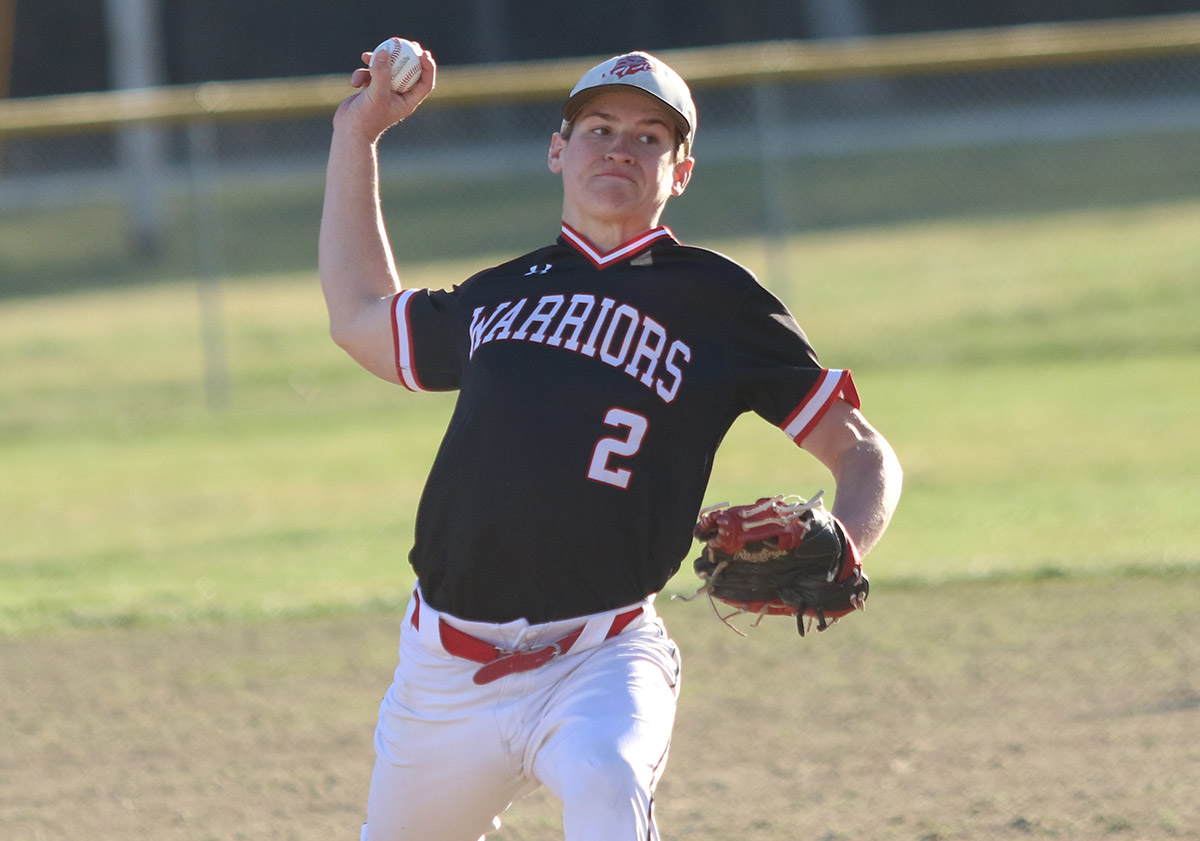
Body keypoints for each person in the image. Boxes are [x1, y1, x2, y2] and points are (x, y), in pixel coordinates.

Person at [319, 41, 902, 841]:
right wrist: (357, 133)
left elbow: (862, 448)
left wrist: (848, 539)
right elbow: (359, 316)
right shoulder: (497, 295)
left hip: (601, 659)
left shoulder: (719, 301)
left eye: (648, 136)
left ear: (681, 171)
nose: (620, 147)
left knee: (607, 776)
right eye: (599, 128)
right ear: (558, 151)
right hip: (443, 675)